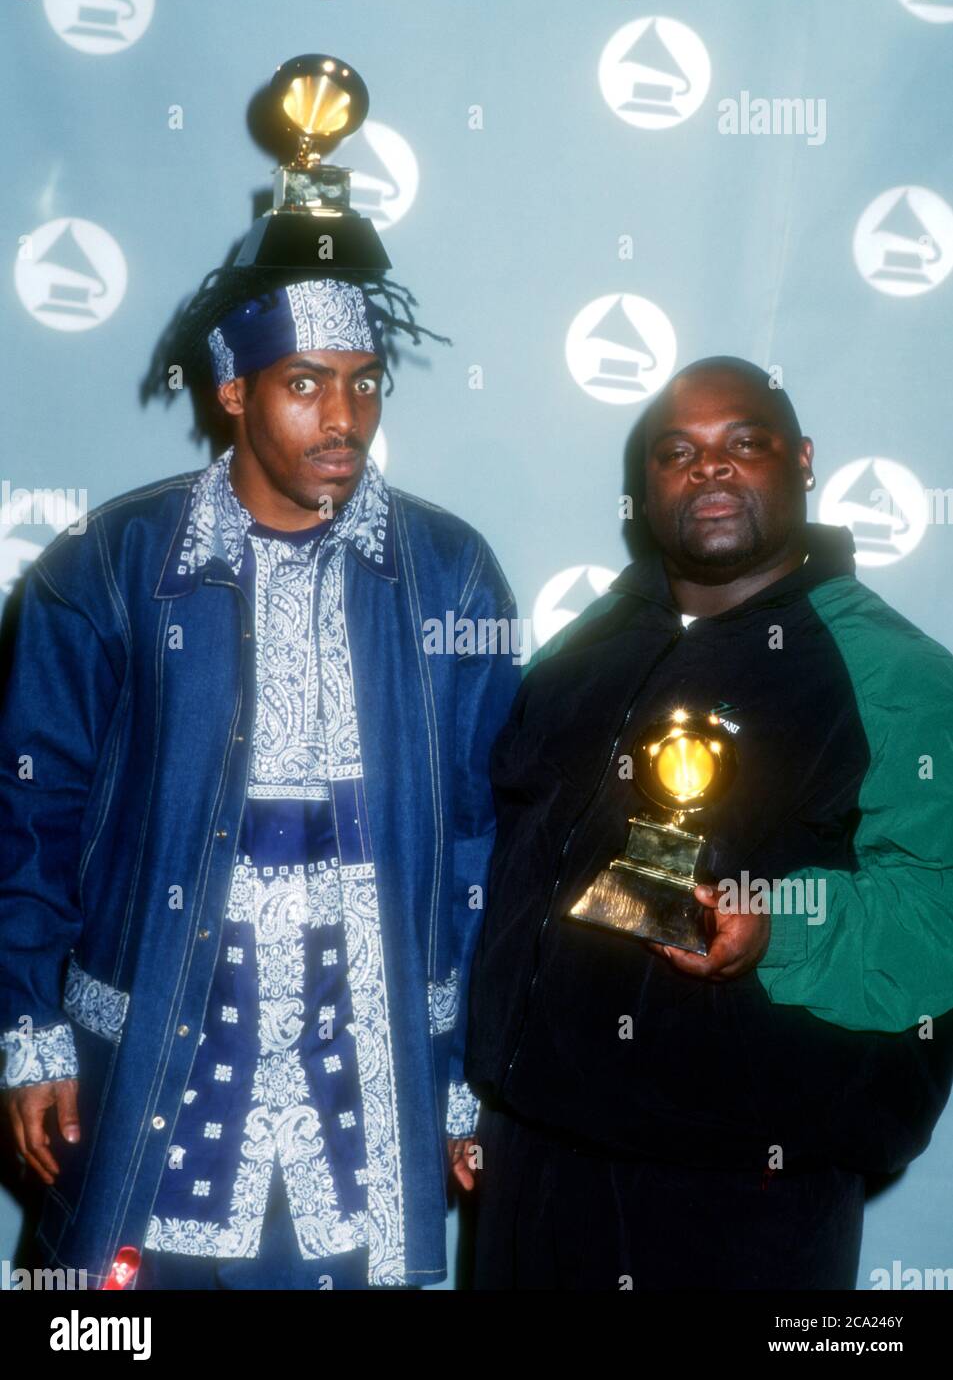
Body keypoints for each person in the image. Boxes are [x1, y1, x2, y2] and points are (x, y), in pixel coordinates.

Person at [0, 266, 520, 1290]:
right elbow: (31, 808)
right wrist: (29, 1026)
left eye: (366, 383)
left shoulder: (450, 571)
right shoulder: (109, 562)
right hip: (155, 1038)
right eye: (305, 382)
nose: (343, 417)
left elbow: (479, 842)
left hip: (366, 1069)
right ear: (231, 389)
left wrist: (464, 1076)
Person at [465, 356, 953, 1291]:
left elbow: (936, 911)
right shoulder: (583, 651)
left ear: (802, 460)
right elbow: (512, 871)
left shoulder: (893, 674)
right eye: (676, 453)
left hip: (748, 1185)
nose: (710, 469)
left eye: (743, 443)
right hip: (539, 1161)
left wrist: (776, 930)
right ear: (644, 487)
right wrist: (485, 1087)